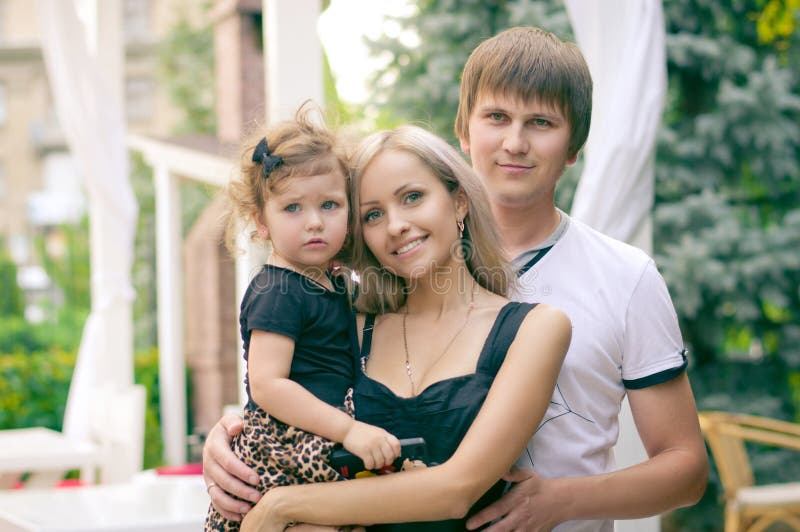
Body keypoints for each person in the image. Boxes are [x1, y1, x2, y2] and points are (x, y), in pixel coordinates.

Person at [205, 26, 709, 531]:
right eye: (496, 118)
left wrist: (561, 500)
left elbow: (684, 469)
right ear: (465, 132)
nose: (515, 142)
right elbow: (293, 389)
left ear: (573, 146)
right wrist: (228, 437)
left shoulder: (622, 278)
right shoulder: (365, 311)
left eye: (540, 122)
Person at [221, 123, 570, 532]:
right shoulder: (351, 323)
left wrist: (279, 506)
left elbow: (457, 490)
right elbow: (275, 394)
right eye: (373, 214)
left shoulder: (535, 329)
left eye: (413, 198)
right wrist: (226, 439)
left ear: (459, 203)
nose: (395, 225)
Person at [204, 104, 404, 531]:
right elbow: (269, 384)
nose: (314, 222)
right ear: (261, 221)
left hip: (320, 430)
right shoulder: (277, 290)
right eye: (293, 208)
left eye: (329, 205)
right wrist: (348, 432)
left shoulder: (332, 282)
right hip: (288, 440)